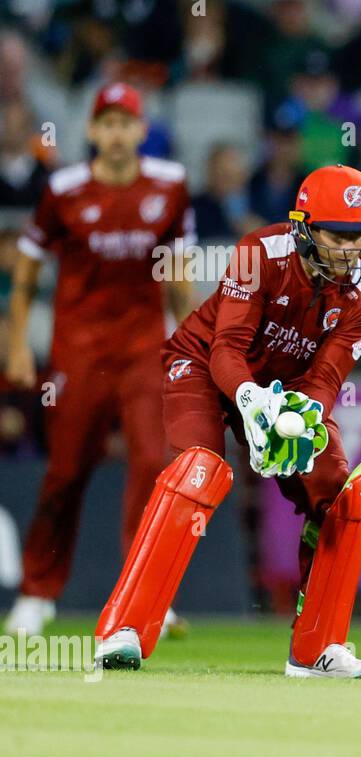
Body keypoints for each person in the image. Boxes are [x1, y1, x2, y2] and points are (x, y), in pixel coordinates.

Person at [93, 164, 361, 679]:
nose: (349, 250)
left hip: (289, 392)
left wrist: (303, 414)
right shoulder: (259, 253)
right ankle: (125, 630)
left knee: (344, 493)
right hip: (205, 366)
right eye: (335, 236)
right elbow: (227, 348)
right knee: (198, 470)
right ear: (303, 227)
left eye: (359, 236)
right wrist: (252, 401)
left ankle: (318, 648)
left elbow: (325, 377)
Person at [3, 84, 195, 637]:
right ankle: (37, 594)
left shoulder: (171, 186)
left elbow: (179, 275)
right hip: (78, 354)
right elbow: (27, 270)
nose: (115, 134)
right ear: (91, 132)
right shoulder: (62, 189)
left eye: (125, 123)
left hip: (143, 352)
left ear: (140, 130)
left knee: (153, 466)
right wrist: (19, 344)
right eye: (105, 124)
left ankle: (145, 597)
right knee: (65, 473)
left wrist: (192, 346)